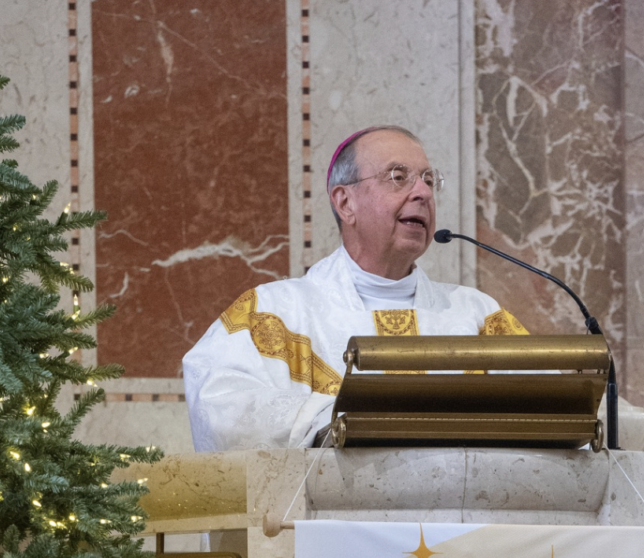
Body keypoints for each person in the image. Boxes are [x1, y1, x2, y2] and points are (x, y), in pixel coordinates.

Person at [183, 125, 527, 451]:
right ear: (345, 203)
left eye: (428, 180)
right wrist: (330, 420)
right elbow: (218, 404)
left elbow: (552, 406)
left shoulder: (478, 315)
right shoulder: (273, 313)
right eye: (398, 177)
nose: (422, 192)